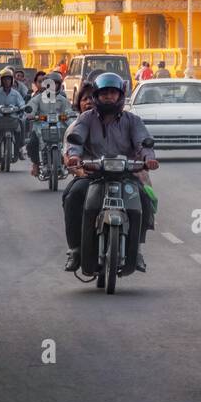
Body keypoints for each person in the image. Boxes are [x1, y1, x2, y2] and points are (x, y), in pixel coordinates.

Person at [62, 72, 159, 272]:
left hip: (126, 175)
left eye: (113, 93)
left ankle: (137, 249)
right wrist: (74, 156)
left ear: (120, 95)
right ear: (97, 95)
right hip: (94, 174)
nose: (108, 97)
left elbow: (143, 140)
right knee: (72, 196)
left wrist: (148, 158)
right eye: (104, 93)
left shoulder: (132, 120)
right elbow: (76, 137)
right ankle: (75, 250)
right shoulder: (86, 118)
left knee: (144, 200)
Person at [25, 71, 71, 178]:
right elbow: (30, 109)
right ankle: (36, 164)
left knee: (72, 141)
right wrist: (30, 114)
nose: (53, 86)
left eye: (56, 84)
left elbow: (69, 112)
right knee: (31, 144)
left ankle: (68, 162)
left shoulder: (63, 100)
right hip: (40, 128)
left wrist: (71, 119)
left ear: (59, 85)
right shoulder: (38, 98)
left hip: (59, 128)